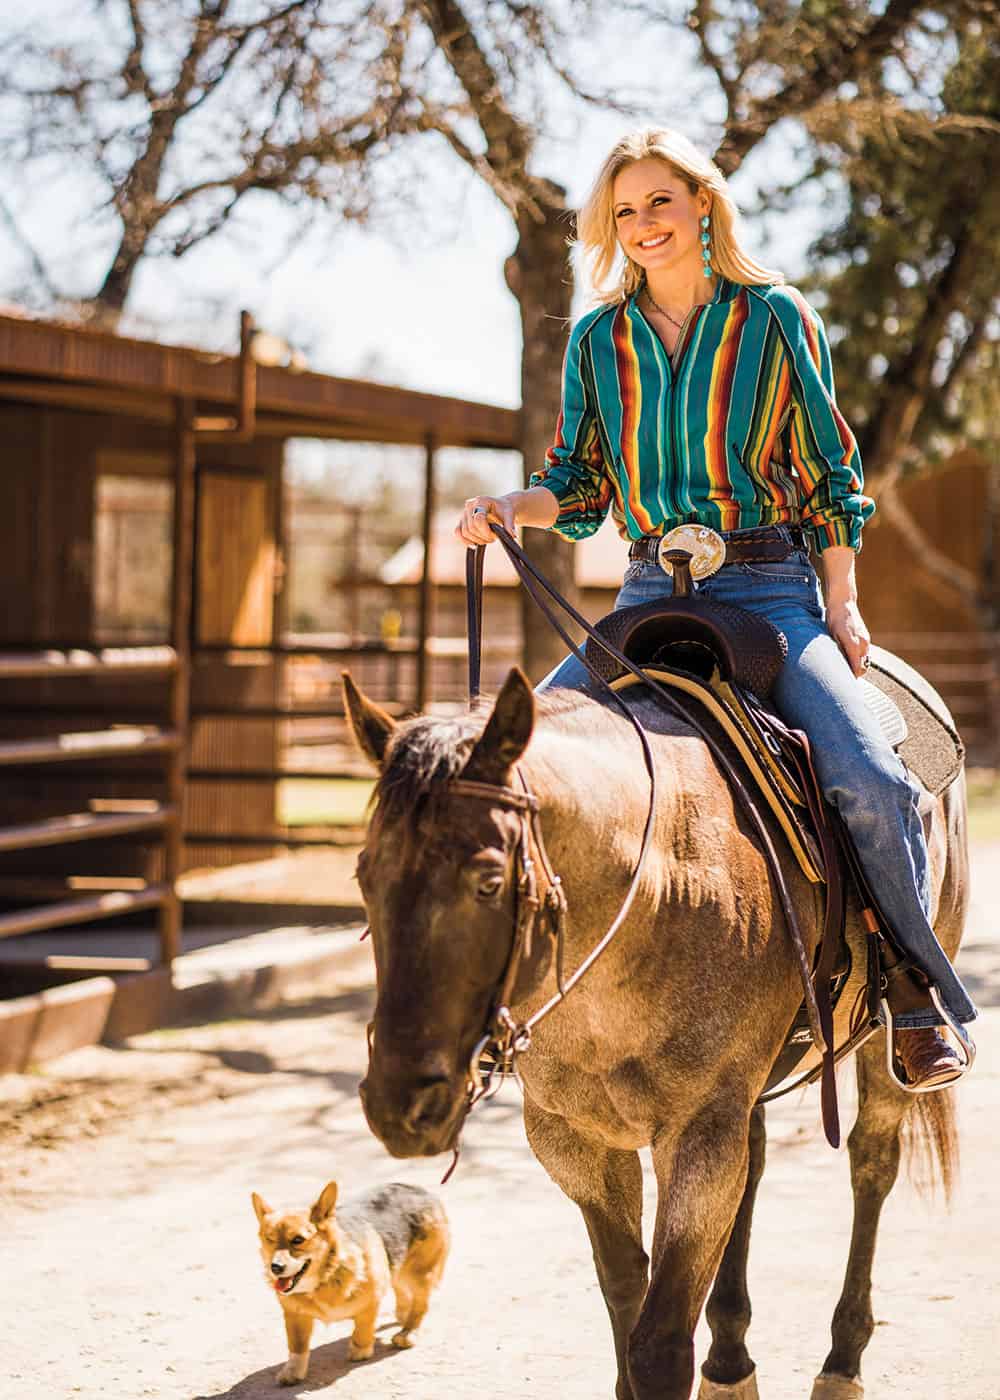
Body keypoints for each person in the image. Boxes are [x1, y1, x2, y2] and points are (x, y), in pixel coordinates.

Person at [455, 126, 976, 1091]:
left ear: (701, 203)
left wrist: (846, 602)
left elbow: (831, 474)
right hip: (649, 588)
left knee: (869, 774)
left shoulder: (774, 315)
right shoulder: (595, 338)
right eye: (625, 210)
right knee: (508, 772)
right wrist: (507, 509)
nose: (645, 224)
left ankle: (912, 990)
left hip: (772, 587)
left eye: (660, 201)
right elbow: (577, 487)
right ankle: (499, 1015)